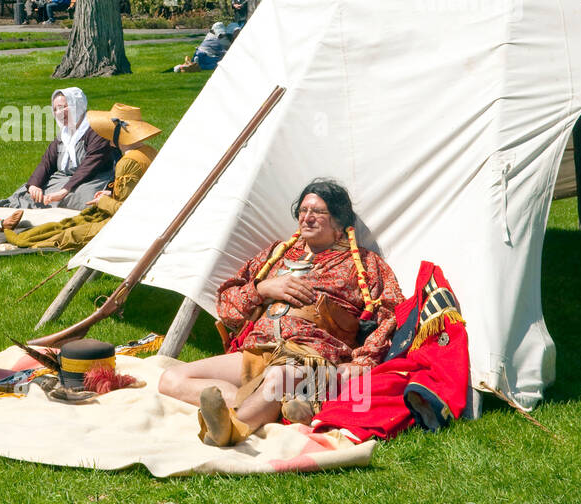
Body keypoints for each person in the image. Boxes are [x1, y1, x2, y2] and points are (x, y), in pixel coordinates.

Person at [156, 179, 404, 446]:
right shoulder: (276, 254)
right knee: (172, 378)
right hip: (260, 349)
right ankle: (273, 408)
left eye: (317, 212)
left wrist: (362, 363)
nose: (307, 218)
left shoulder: (365, 263)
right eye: (303, 211)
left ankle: (232, 428)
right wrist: (263, 288)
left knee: (279, 377)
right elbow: (227, 308)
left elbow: (390, 314)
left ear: (338, 222)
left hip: (311, 356)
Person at [0, 103, 160, 251]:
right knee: (69, 223)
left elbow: (127, 212)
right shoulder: (149, 152)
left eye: (109, 131)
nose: (105, 136)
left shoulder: (128, 162)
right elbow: (138, 194)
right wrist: (111, 193)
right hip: (143, 217)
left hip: (126, 225)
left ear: (119, 133)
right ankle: (22, 236)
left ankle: (24, 240)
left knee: (69, 234)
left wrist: (104, 202)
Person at [0, 88, 116, 210]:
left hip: (94, 179)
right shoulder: (64, 134)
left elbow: (91, 164)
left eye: (63, 107)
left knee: (81, 197)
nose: (59, 112)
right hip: (66, 179)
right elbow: (47, 161)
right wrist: (34, 185)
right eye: (55, 109)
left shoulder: (97, 129)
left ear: (77, 105)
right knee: (29, 192)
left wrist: (64, 190)